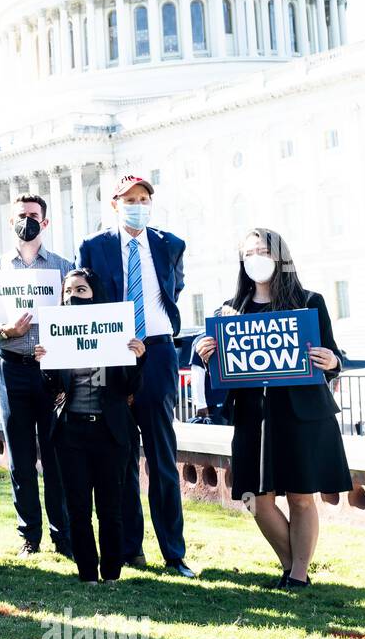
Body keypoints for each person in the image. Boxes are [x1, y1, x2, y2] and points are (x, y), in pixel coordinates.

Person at [193, 229, 350, 588]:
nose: (256, 259)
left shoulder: (311, 301)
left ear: (280, 256)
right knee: (254, 499)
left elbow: (334, 357)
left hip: (301, 414)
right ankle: (291, 563)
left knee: (300, 496)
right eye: (248, 253)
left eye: (263, 251)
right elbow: (218, 369)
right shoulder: (229, 310)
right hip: (252, 415)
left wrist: (332, 361)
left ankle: (297, 575)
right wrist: (207, 354)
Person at [77, 175, 196, 578]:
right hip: (114, 355)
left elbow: (173, 291)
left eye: (144, 198)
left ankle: (174, 552)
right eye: (129, 199)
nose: (137, 204)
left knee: (162, 455)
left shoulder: (169, 244)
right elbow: (87, 300)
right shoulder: (95, 247)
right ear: (115, 204)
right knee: (121, 455)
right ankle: (131, 548)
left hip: (158, 351)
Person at [0, 193, 74, 558]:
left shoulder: (64, 268)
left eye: (33, 215)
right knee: (19, 458)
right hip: (12, 368)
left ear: (44, 223)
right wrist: (6, 331)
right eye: (21, 215)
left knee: (57, 455)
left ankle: (63, 535)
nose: (27, 220)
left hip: (52, 374)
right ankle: (29, 535)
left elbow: (78, 316)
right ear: (11, 221)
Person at [34, 270, 146, 584]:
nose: (73, 295)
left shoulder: (115, 332)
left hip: (110, 433)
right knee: (78, 508)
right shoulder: (58, 335)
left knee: (110, 509)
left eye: (81, 289)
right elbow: (52, 389)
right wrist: (46, 363)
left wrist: (137, 357)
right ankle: (87, 574)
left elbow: (130, 387)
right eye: (68, 290)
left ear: (94, 293)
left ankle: (111, 573)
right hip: (70, 433)